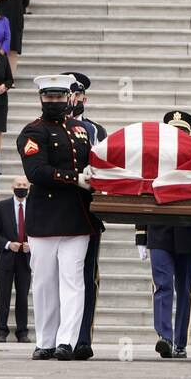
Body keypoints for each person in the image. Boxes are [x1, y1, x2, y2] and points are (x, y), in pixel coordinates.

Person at [18, 75, 97, 361]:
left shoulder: (81, 129)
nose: (55, 102)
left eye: (59, 97)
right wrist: (75, 179)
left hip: (77, 217)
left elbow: (92, 161)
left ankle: (67, 340)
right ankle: (45, 340)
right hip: (46, 217)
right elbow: (36, 172)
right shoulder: (32, 131)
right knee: (44, 282)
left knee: (73, 280)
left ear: (68, 98)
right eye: (49, 98)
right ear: (41, 99)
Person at [134, 111, 191, 358]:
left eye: (182, 133)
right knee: (162, 285)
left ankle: (180, 342)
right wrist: (141, 235)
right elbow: (143, 195)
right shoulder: (153, 161)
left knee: (186, 290)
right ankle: (164, 337)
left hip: (189, 231)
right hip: (160, 231)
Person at [62, 72, 106, 361]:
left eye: (75, 94)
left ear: (82, 98)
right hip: (54, 208)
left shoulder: (94, 130)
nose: (71, 100)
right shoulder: (42, 128)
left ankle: (81, 337)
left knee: (86, 276)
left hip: (83, 209)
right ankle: (56, 336)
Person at [0, 175, 32, 343]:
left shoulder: (34, 206)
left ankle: (22, 332)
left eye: (24, 185)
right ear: (12, 187)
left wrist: (32, 245)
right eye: (18, 184)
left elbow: (40, 229)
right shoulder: (1, 206)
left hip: (26, 257)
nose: (21, 187)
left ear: (28, 188)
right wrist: (7, 244)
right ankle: (1, 330)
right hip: (7, 256)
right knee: (4, 295)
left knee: (23, 296)